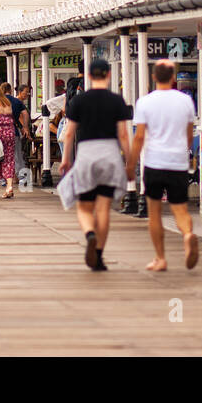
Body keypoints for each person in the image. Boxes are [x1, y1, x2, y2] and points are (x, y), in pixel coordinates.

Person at [58, 59, 132, 271]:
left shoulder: (79, 101)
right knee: (104, 208)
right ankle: (98, 255)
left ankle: (89, 234)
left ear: (88, 76)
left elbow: (70, 132)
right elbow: (123, 134)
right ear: (108, 75)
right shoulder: (117, 100)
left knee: (84, 205)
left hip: (87, 153)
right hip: (110, 153)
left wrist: (66, 160)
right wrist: (128, 162)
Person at [129, 60, 199, 271]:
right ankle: (187, 234)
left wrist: (131, 162)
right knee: (179, 208)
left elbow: (140, 136)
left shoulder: (145, 102)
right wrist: (183, 153)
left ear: (153, 77)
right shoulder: (186, 101)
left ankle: (160, 258)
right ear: (173, 77)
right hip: (177, 163)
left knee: (155, 212)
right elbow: (189, 134)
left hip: (154, 162)